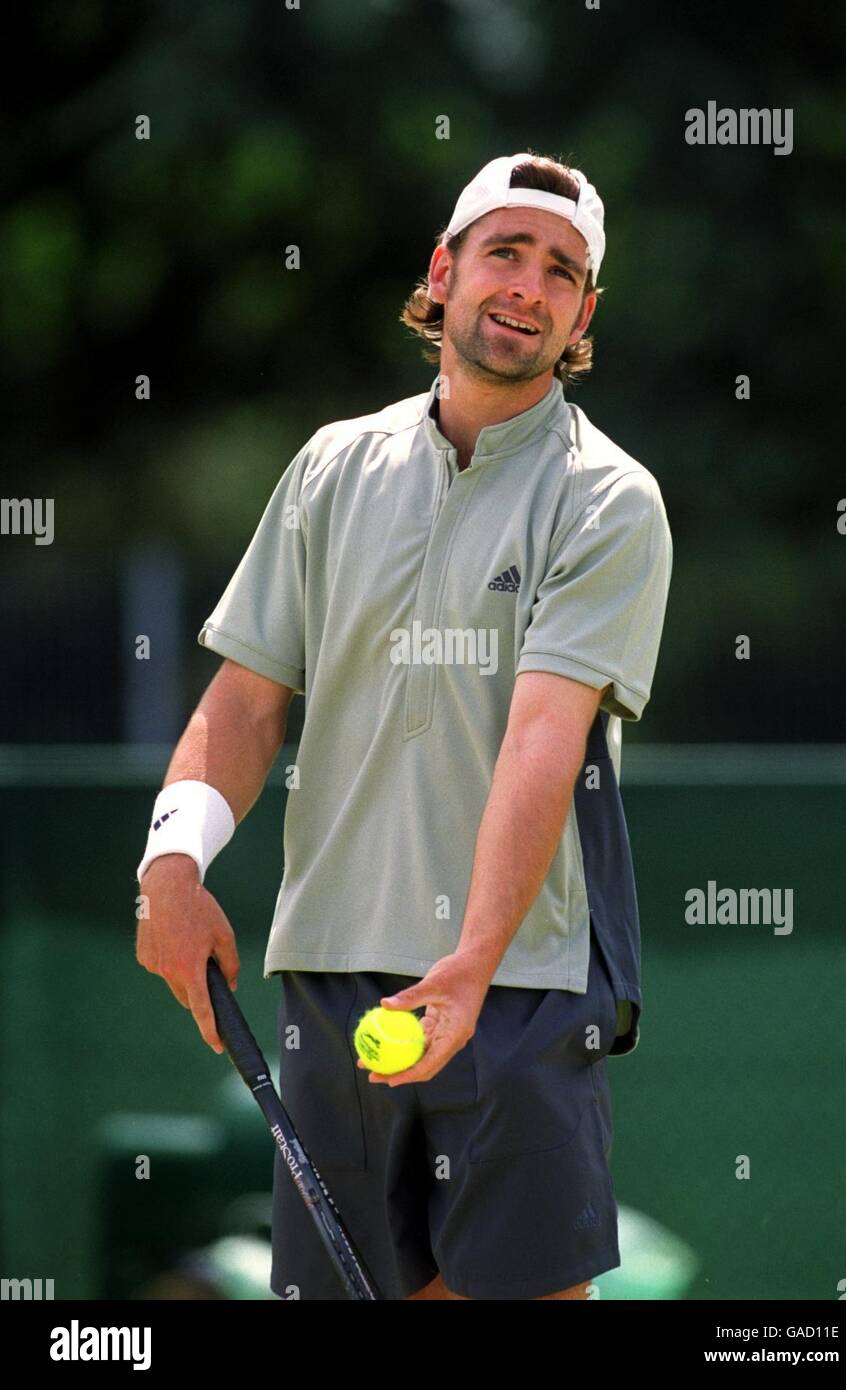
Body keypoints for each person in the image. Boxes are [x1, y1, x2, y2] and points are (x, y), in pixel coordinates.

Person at [135, 151, 673, 1301]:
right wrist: (171, 866)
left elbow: (541, 738)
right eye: (505, 253)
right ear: (444, 269)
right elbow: (246, 696)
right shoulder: (332, 465)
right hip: (329, 976)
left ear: (583, 314)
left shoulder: (608, 497)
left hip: (521, 979)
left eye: (562, 271)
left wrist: (471, 965)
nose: (528, 286)